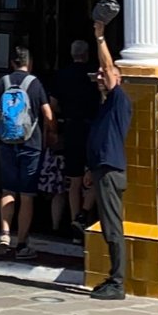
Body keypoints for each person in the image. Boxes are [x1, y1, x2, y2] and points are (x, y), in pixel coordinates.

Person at [84, 10, 131, 300]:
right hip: (103, 169)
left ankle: (118, 283)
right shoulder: (106, 106)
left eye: (106, 74)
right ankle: (113, 278)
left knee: (113, 228)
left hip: (111, 171)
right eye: (100, 74)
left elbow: (109, 65)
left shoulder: (119, 99)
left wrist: (100, 36)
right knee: (107, 226)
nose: (101, 75)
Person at [0, 45, 53, 257]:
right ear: (30, 63)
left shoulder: (3, 82)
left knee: (8, 191)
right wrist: (51, 133)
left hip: (6, 143)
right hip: (30, 144)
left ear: (12, 63)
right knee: (27, 195)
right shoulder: (34, 84)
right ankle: (22, 242)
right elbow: (48, 114)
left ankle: (5, 234)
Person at [53, 39, 99, 232]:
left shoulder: (62, 75)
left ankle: (74, 222)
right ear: (87, 54)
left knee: (74, 180)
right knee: (95, 175)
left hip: (71, 129)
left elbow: (53, 104)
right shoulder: (95, 75)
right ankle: (85, 219)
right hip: (91, 129)